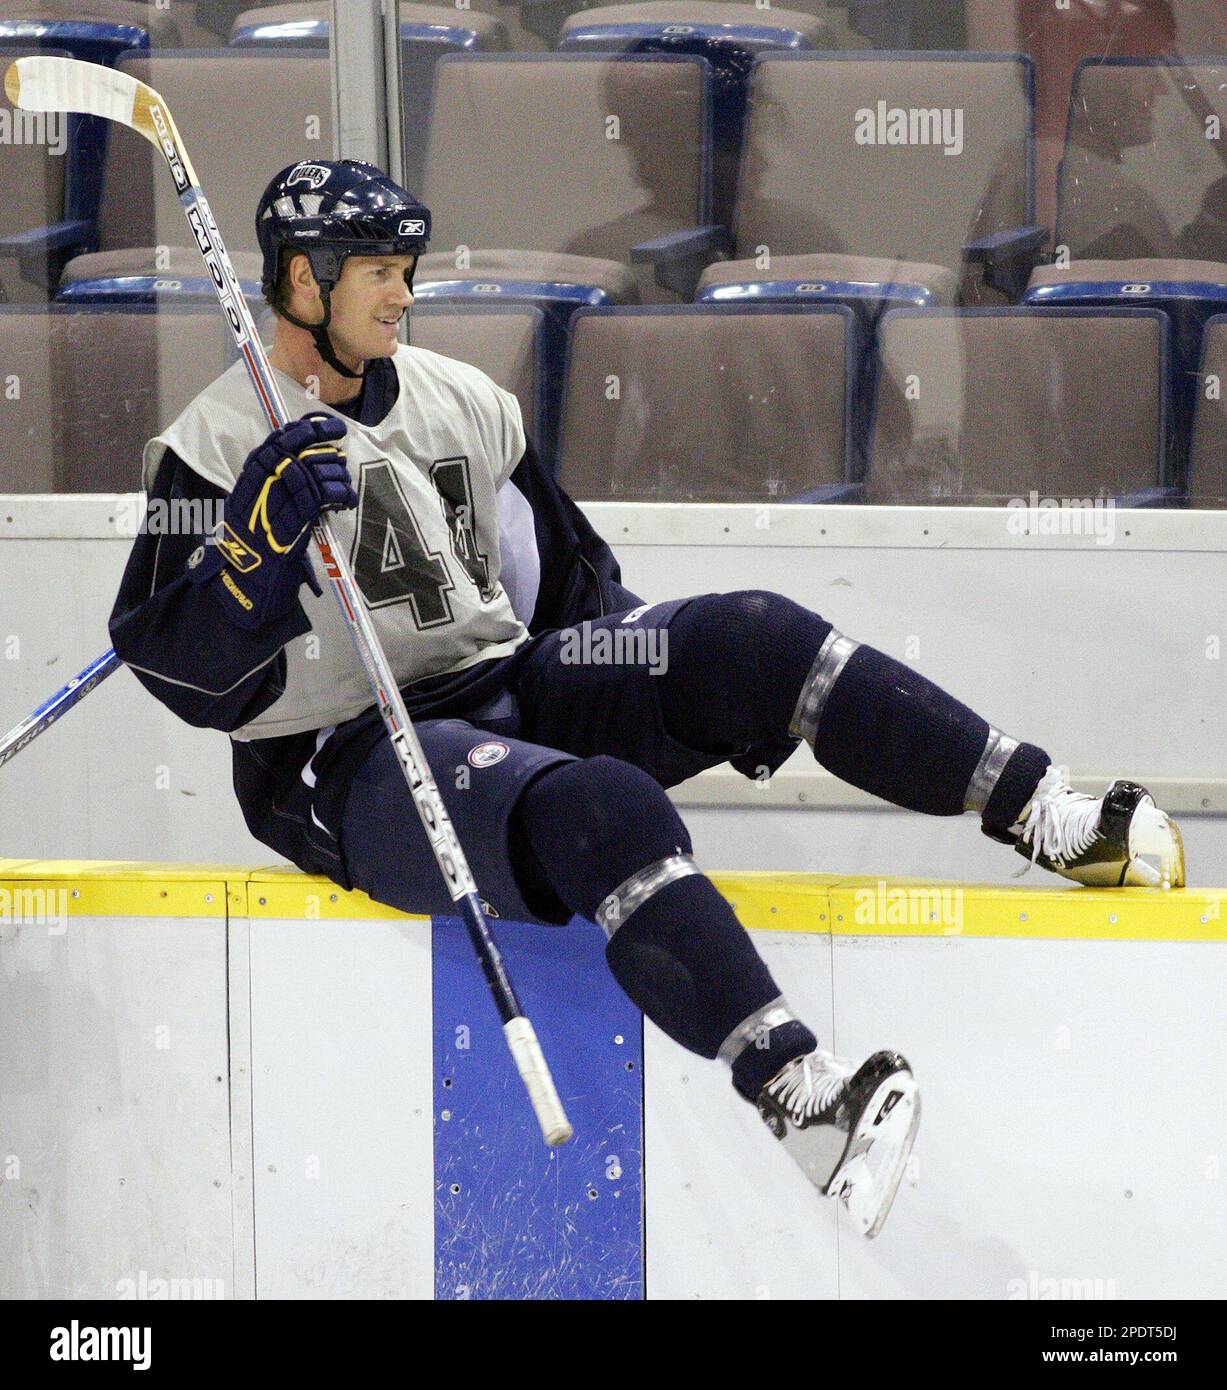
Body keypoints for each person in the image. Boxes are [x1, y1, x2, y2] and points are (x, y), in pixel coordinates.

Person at [109, 160, 1185, 1238]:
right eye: (380, 273)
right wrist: (249, 554)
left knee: (748, 636)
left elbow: (578, 591)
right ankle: (804, 1101)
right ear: (305, 280)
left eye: (406, 271)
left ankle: (1052, 816)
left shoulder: (463, 401)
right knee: (606, 807)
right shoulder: (212, 447)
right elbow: (178, 672)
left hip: (499, 682)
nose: (402, 294)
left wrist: (658, 678)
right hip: (341, 755)